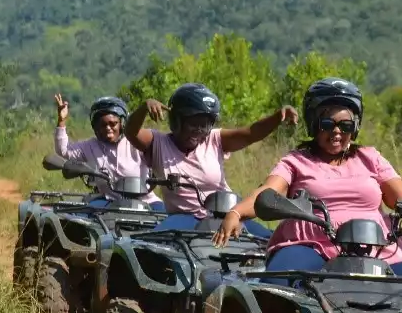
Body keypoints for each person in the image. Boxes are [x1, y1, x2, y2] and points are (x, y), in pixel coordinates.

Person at [212, 77, 402, 282]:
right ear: (314, 123)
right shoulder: (296, 161)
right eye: (328, 124)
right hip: (311, 244)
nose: (337, 132)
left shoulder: (370, 157)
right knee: (276, 290)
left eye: (346, 126)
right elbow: (268, 192)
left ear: (355, 127)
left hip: (376, 248)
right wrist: (237, 213)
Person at [123, 82, 296, 234]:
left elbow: (250, 133)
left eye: (204, 125)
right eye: (193, 124)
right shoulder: (158, 143)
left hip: (226, 214)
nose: (199, 131)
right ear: (176, 121)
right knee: (155, 245)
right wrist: (144, 108)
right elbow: (131, 132)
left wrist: (277, 118)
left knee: (267, 241)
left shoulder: (214, 139)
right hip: (184, 218)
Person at [53, 94, 162, 209]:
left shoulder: (136, 142)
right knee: (86, 213)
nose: (108, 128)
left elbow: (161, 152)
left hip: (146, 201)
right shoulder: (90, 146)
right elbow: (63, 150)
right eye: (103, 125)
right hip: (109, 202)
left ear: (122, 123)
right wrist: (61, 120)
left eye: (113, 124)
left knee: (168, 215)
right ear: (95, 127)